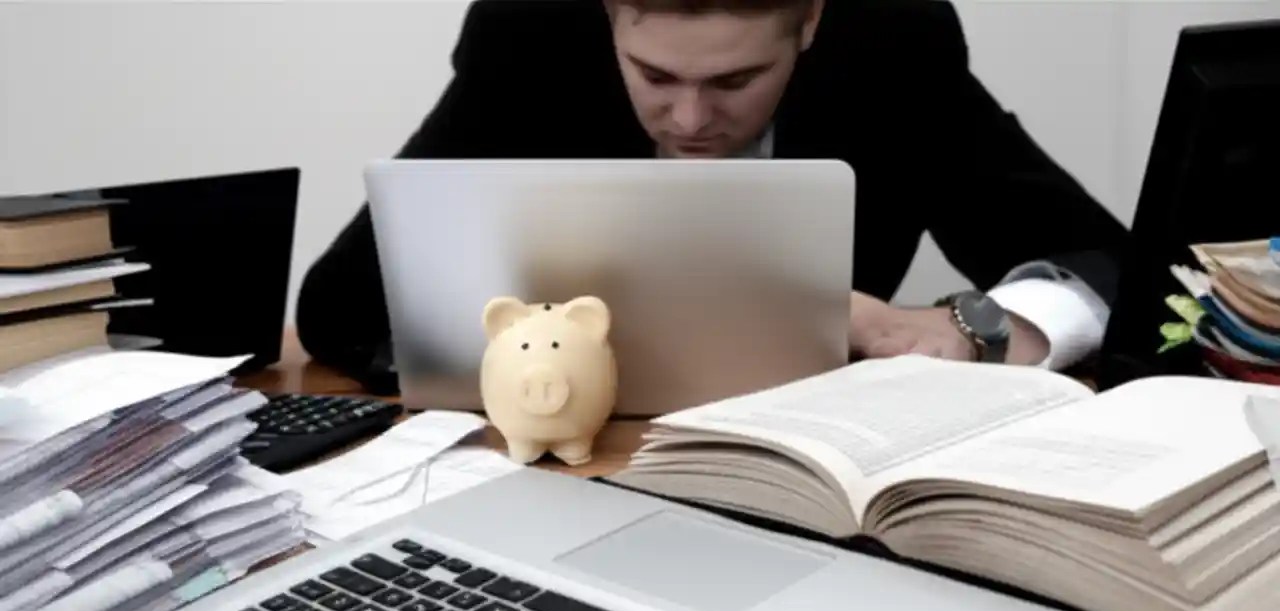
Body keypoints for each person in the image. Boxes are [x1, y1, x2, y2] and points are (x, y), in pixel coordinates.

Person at [296, 0, 1130, 384]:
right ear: (608, 16)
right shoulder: (528, 34)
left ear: (811, 21)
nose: (691, 118)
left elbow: (1108, 262)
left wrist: (976, 329)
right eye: (655, 75)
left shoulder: (894, 41)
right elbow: (346, 305)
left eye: (736, 80)